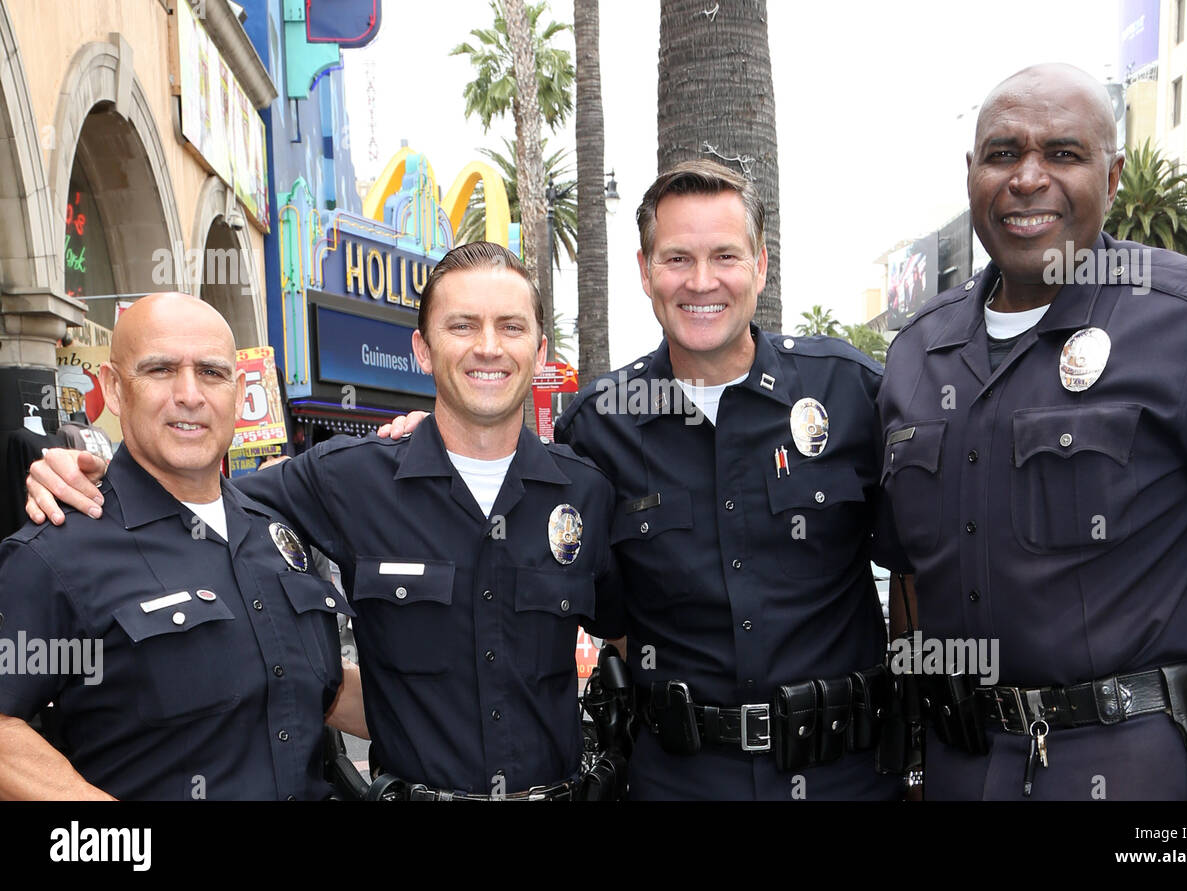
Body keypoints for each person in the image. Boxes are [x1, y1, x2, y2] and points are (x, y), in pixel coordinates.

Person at [28, 244, 622, 801]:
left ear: (541, 351)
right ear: (422, 349)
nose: (487, 347)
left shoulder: (589, 493)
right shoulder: (346, 478)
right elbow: (194, 487)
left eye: (511, 326)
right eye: (462, 325)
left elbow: (630, 635)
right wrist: (85, 469)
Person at [386, 161, 897, 800]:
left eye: (725, 256)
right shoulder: (598, 428)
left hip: (845, 777)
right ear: (644, 272)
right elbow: (579, 588)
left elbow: (914, 568)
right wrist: (438, 434)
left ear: (760, 266)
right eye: (677, 258)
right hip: (677, 779)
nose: (701, 281)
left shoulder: (850, 393)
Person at [874, 63, 1187, 800]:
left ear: (1112, 177)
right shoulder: (915, 354)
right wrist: (914, 757)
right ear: (972, 173)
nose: (1028, 177)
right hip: (959, 768)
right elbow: (909, 584)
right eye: (1003, 154)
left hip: (1147, 773)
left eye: (1064, 153)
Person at [0, 293, 366, 800]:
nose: (189, 394)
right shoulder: (58, 552)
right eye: (160, 370)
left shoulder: (273, 534)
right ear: (112, 388)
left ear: (239, 394)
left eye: (212, 373)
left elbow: (319, 690)